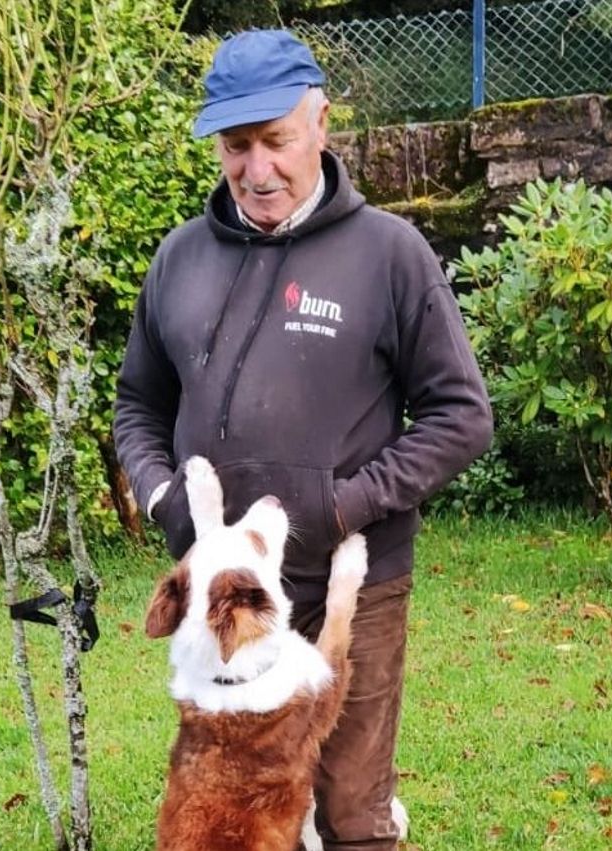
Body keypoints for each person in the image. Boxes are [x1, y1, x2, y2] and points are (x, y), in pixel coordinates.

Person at [114, 28, 493, 851]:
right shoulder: (178, 259)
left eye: (277, 141)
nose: (257, 170)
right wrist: (164, 498)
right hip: (227, 606)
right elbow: (137, 404)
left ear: (321, 121)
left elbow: (462, 415)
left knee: (351, 812)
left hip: (351, 579)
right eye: (236, 145)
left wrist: (342, 506)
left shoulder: (389, 254)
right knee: (244, 809)